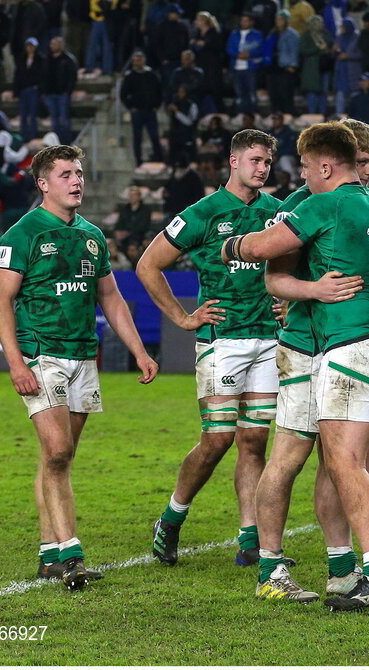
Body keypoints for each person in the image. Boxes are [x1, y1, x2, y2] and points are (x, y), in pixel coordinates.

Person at [222, 121, 369, 611]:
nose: (301, 174)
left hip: (345, 345)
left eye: (305, 166)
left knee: (343, 463)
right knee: (351, 463)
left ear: (326, 165)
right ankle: (353, 568)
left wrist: (229, 246)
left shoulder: (320, 203)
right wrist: (310, 290)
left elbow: (263, 252)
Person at [0, 144, 158, 590]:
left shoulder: (92, 236)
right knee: (59, 452)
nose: (77, 180)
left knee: (57, 458)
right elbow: (1, 301)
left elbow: (111, 298)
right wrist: (15, 363)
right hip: (40, 354)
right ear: (43, 183)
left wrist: (139, 351)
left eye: (79, 173)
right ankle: (72, 555)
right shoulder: (21, 235)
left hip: (84, 356)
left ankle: (49, 553)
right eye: (65, 174)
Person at [136, 130, 282, 569]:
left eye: (267, 162)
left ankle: (249, 539)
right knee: (217, 440)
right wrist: (182, 318)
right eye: (255, 160)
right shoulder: (202, 213)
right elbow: (148, 265)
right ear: (233, 161)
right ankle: (172, 517)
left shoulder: (278, 213)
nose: (262, 168)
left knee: (254, 440)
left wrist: (288, 299)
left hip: (269, 339)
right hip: (223, 341)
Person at [121, 51, 164, 166]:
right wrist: (131, 107)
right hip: (137, 112)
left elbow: (159, 91)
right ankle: (138, 161)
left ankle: (159, 158)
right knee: (137, 138)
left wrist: (157, 105)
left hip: (150, 111)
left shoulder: (151, 74)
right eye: (135, 60)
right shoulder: (130, 76)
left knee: (154, 136)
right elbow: (123, 95)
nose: (137, 62)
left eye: (140, 59)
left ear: (144, 60)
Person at [42, 36, 77, 144]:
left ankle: (66, 142)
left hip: (62, 94)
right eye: (51, 44)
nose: (52, 46)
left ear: (61, 45)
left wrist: (68, 91)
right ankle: (57, 142)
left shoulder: (68, 59)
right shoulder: (47, 59)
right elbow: (43, 76)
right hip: (50, 93)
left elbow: (72, 76)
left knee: (64, 119)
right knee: (54, 120)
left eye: (55, 44)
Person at [227, 14, 263, 115]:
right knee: (239, 95)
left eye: (246, 21)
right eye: (242, 20)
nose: (244, 23)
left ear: (251, 22)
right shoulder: (234, 34)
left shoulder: (257, 34)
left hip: (250, 68)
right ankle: (240, 115)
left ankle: (254, 114)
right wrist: (238, 55)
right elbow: (229, 48)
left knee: (252, 94)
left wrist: (249, 54)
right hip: (236, 68)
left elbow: (260, 49)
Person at [14, 37, 44, 141]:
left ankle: (33, 136)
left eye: (32, 46)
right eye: (28, 45)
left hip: (34, 90)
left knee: (32, 114)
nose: (30, 48)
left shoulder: (40, 59)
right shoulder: (21, 59)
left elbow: (43, 75)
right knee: (23, 115)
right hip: (23, 90)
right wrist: (16, 91)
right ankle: (24, 136)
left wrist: (40, 88)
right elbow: (17, 75)